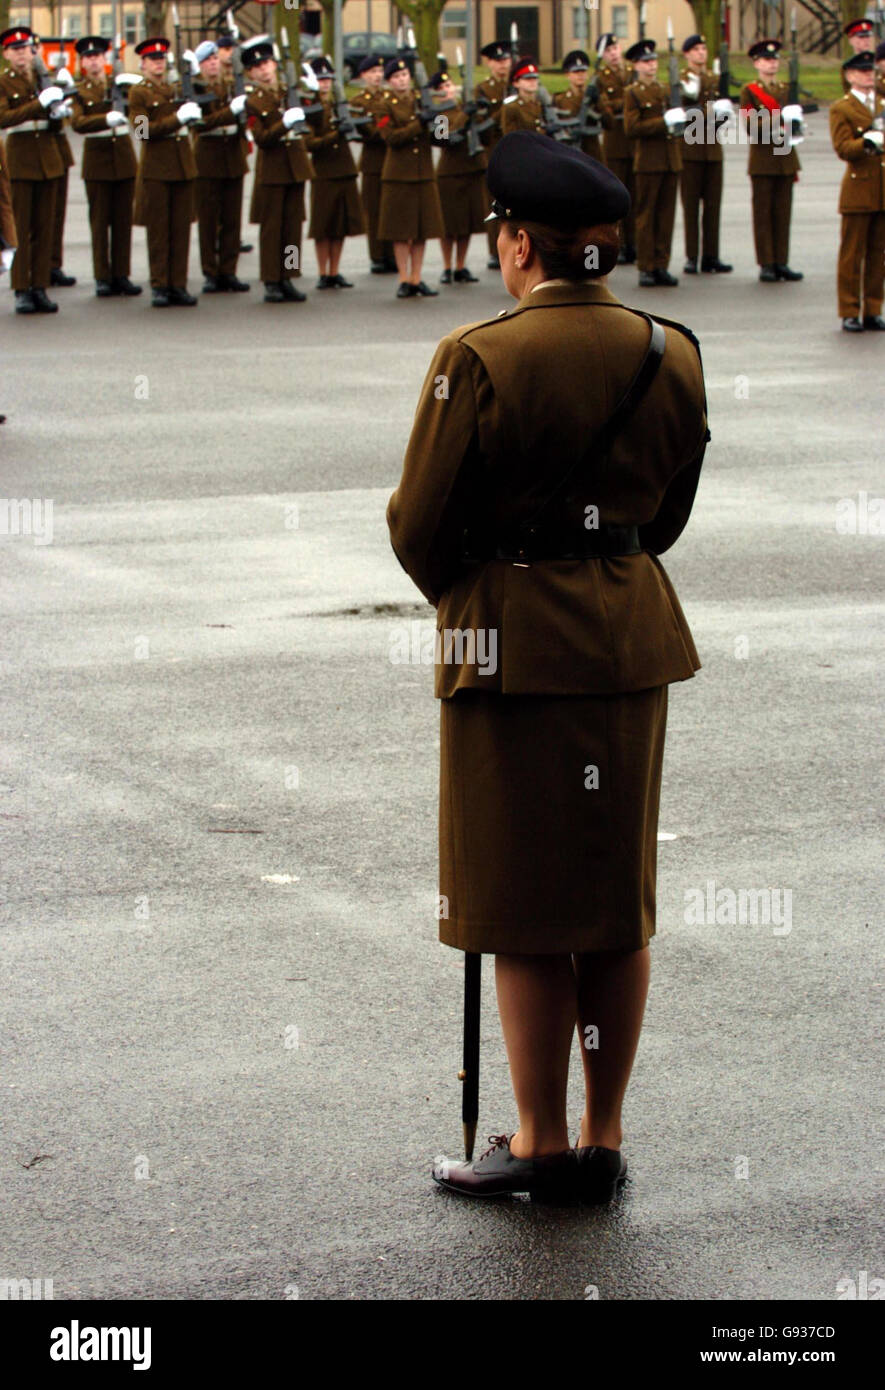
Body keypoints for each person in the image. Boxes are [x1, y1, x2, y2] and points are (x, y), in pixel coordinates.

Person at [387, 130, 708, 1205]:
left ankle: (538, 1141)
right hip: (627, 632)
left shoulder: (476, 356)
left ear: (520, 242)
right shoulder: (672, 347)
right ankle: (605, 1134)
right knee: (614, 899)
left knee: (520, 904)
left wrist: (481, 591)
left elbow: (418, 523)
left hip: (511, 644)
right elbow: (665, 514)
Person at [129, 35, 200, 307]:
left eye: (161, 59)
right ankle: (160, 284)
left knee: (180, 230)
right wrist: (177, 119)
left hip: (183, 165)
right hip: (157, 168)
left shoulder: (177, 87)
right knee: (159, 232)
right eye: (152, 60)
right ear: (143, 64)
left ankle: (178, 284)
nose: (158, 64)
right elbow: (143, 130)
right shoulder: (139, 92)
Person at [242, 35, 313, 303]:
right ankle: (271, 279)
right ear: (251, 73)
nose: (264, 69)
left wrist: (314, 92)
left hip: (295, 166)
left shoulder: (289, 91)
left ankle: (288, 275)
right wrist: (284, 123)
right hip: (272, 169)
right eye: (257, 66)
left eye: (268, 63)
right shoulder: (253, 100)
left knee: (292, 228)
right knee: (272, 228)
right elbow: (261, 138)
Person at [0, 24, 65, 313]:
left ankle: (40, 285)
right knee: (23, 227)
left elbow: (138, 132)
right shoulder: (138, 93)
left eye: (26, 48)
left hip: (129, 164)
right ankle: (22, 288)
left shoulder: (48, 80)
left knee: (45, 228)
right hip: (24, 160)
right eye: (15, 49)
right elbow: (144, 132)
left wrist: (58, 114)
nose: (22, 54)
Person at [69, 34, 140, 297]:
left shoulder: (119, 85)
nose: (94, 61)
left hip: (123, 160)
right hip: (97, 162)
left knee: (123, 222)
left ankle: (121, 274)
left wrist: (133, 98)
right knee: (100, 224)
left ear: (105, 59)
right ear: (83, 63)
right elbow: (77, 124)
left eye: (97, 56)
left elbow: (141, 123)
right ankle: (102, 276)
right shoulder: (79, 91)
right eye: (88, 57)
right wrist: (104, 120)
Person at [376, 56, 443, 298]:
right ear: (389, 81)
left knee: (421, 229)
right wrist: (418, 123)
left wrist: (439, 118)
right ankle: (404, 278)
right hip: (399, 175)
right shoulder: (385, 105)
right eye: (396, 77)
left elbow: (440, 138)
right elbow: (391, 138)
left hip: (423, 171)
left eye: (404, 76)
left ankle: (417, 277)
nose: (402, 80)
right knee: (402, 231)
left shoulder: (420, 100)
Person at [829, 51, 885, 332]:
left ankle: (873, 309)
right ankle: (849, 310)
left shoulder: (882, 103)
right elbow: (842, 148)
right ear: (850, 75)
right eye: (862, 71)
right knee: (852, 256)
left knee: (879, 254)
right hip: (858, 188)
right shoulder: (843, 108)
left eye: (870, 71)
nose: (868, 75)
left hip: (882, 189)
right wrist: (865, 142)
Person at [739, 38, 803, 283]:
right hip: (763, 158)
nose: (772, 63)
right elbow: (749, 125)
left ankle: (781, 261)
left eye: (775, 59)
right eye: (766, 59)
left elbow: (795, 124)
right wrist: (778, 118)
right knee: (763, 213)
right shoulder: (750, 91)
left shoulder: (787, 88)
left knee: (782, 213)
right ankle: (766, 262)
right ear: (756, 63)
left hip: (785, 156)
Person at [623, 38, 685, 287]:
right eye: (645, 62)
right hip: (648, 161)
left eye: (653, 60)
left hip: (671, 160)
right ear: (636, 65)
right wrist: (663, 121)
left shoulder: (665, 90)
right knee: (646, 216)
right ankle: (646, 266)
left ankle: (661, 264)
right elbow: (632, 127)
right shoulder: (633, 93)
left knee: (666, 216)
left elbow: (678, 123)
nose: (651, 65)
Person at [191, 39, 250, 293]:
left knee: (232, 220)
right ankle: (210, 272)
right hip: (208, 157)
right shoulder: (195, 88)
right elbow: (200, 123)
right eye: (207, 61)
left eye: (215, 59)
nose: (213, 64)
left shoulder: (232, 85)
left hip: (232, 157)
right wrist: (229, 113)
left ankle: (229, 270)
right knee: (208, 221)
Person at [303, 55, 364, 289]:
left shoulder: (339, 103)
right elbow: (310, 143)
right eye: (321, 80)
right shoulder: (311, 108)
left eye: (328, 79)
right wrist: (335, 134)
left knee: (339, 226)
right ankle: (322, 272)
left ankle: (334, 271)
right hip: (323, 170)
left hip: (344, 167)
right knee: (323, 226)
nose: (325, 84)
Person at [678, 33, 732, 274]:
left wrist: (723, 115)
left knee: (713, 205)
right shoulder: (680, 79)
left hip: (712, 149)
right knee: (691, 206)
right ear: (687, 54)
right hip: (690, 149)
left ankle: (711, 255)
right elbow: (682, 113)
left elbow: (720, 113)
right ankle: (692, 256)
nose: (701, 53)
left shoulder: (714, 78)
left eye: (703, 48)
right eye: (696, 49)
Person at [431, 69, 485, 285]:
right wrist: (465, 115)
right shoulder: (439, 114)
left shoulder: (466, 108)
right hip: (449, 172)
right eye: (442, 88)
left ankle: (461, 265)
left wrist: (479, 111)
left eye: (449, 86)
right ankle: (447, 266)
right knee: (449, 225)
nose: (448, 90)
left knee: (466, 224)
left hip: (470, 169)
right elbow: (444, 138)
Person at [351, 55, 396, 273]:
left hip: (392, 158)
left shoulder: (391, 97)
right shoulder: (359, 101)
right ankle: (377, 255)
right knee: (374, 210)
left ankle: (391, 255)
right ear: (363, 76)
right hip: (372, 160)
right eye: (372, 73)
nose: (377, 76)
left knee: (391, 210)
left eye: (379, 72)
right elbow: (369, 131)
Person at [596, 32, 636, 263]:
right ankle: (618, 245)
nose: (613, 54)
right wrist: (629, 102)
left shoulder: (631, 72)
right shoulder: (601, 77)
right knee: (618, 198)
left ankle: (634, 243)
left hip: (634, 143)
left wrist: (622, 104)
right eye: (608, 51)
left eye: (615, 49)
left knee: (636, 195)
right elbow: (605, 108)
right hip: (615, 143)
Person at [477, 40, 512, 268]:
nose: (503, 65)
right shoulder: (483, 89)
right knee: (494, 203)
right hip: (493, 149)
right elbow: (482, 124)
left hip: (515, 151)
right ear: (490, 63)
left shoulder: (517, 84)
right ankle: (494, 250)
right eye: (498, 61)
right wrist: (506, 108)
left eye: (506, 60)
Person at [554, 49, 602, 161]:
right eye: (576, 72)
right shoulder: (560, 99)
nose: (580, 75)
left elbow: (609, 123)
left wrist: (598, 101)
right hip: (570, 153)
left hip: (593, 154)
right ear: (567, 74)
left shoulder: (595, 96)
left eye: (583, 71)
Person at [500, 57, 545, 134]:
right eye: (527, 78)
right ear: (516, 83)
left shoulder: (541, 105)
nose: (532, 82)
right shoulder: (512, 108)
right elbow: (511, 138)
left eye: (535, 78)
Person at [841, 19, 877, 94]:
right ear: (851, 40)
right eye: (861, 37)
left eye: (868, 36)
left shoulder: (879, 62)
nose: (866, 40)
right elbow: (848, 92)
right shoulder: (848, 66)